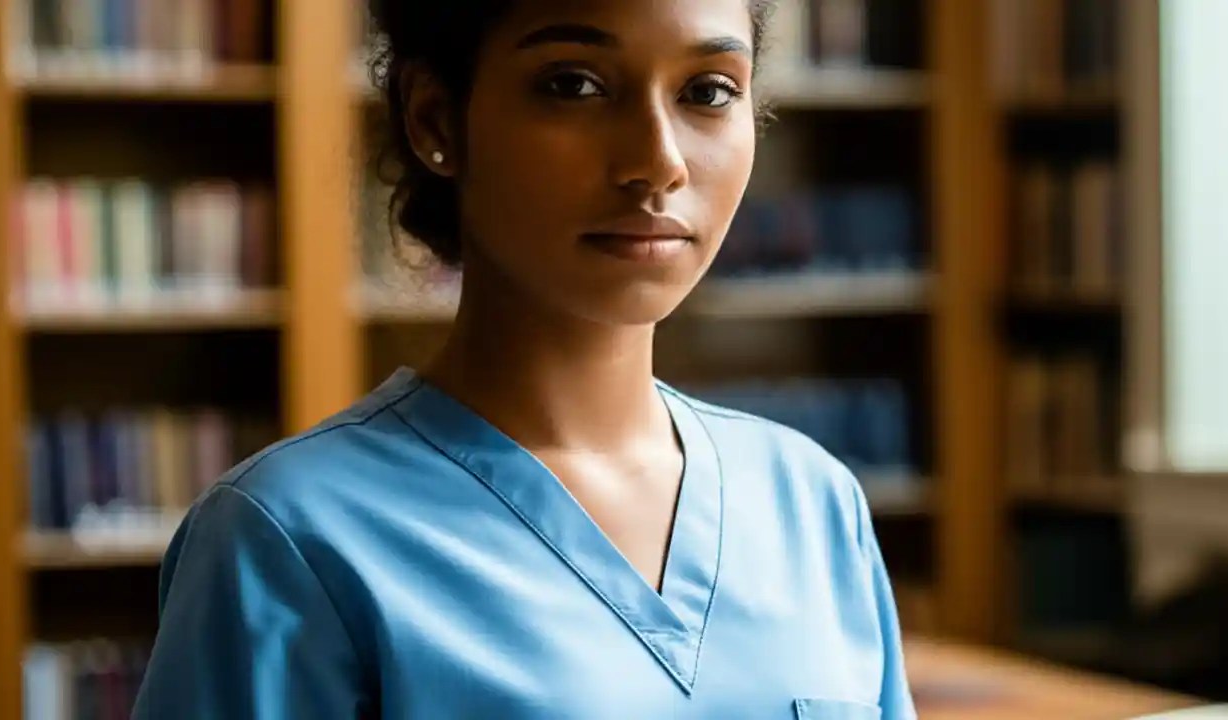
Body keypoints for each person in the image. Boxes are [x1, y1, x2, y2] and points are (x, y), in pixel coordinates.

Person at [132, 0, 916, 717]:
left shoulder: (812, 505)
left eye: (708, 91)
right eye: (573, 85)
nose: (658, 160)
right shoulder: (288, 541)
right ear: (435, 118)